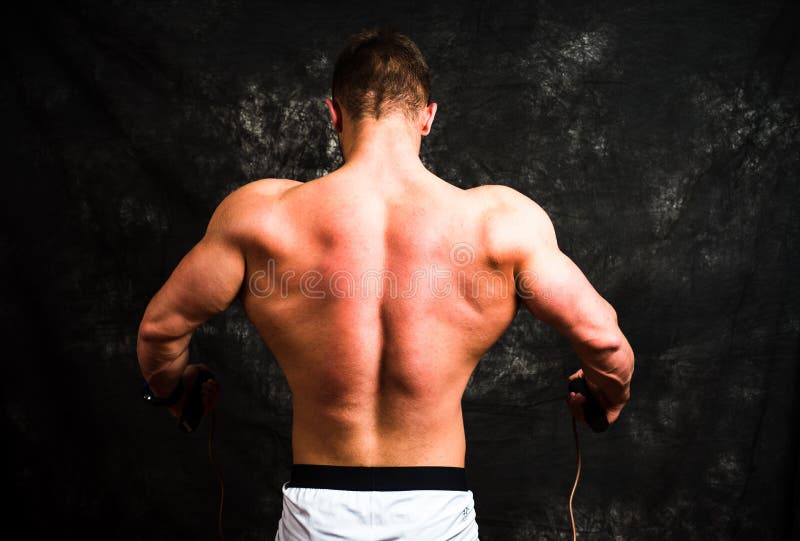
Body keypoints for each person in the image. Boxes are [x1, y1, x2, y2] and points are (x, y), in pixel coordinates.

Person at [137, 27, 635, 541]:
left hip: (317, 512)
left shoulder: (261, 218)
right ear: (427, 117)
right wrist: (603, 399)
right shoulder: (499, 222)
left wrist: (178, 392)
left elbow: (158, 331)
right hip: (435, 513)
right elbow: (603, 341)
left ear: (334, 115)